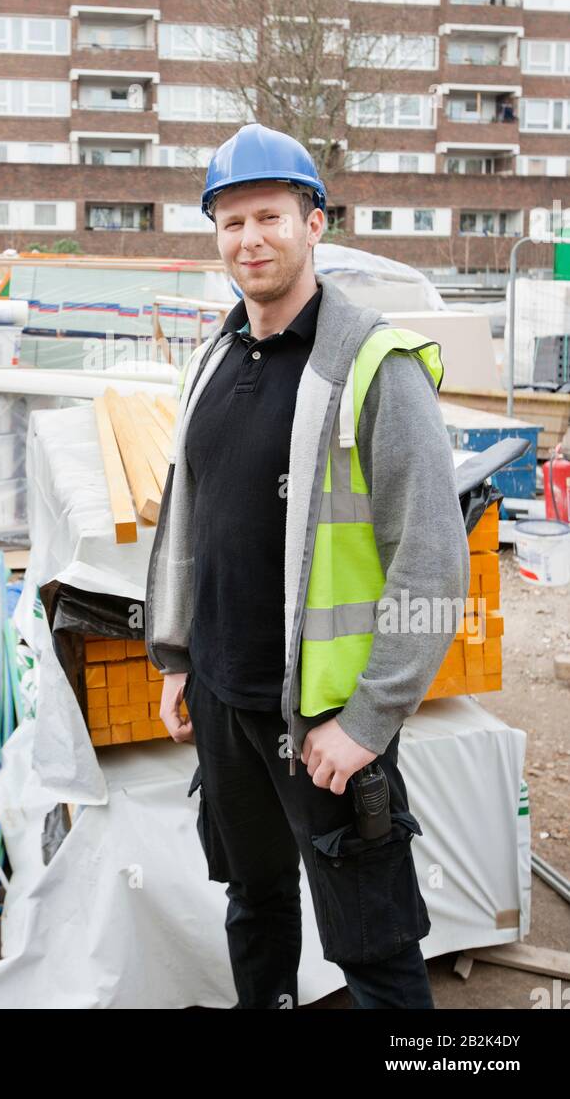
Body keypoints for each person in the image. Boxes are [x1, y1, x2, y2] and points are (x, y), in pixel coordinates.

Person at [144, 122, 470, 1009]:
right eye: (230, 221)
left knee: (374, 947)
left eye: (269, 217)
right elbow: (193, 519)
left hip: (324, 724)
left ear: (315, 221)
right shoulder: (214, 356)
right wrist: (179, 656)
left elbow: (434, 567)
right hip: (222, 701)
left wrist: (368, 719)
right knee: (255, 908)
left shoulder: (372, 365)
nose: (249, 239)